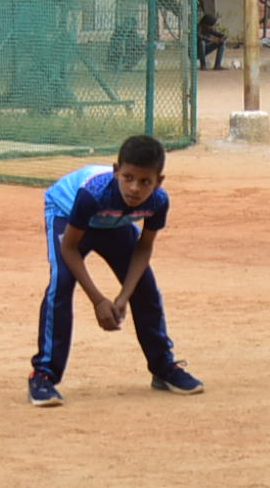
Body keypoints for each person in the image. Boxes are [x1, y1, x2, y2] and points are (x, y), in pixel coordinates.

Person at [30, 135, 199, 404]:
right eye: (128, 178)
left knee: (145, 288)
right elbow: (70, 249)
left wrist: (123, 296)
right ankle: (44, 375)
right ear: (116, 171)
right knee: (61, 284)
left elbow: (144, 248)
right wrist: (98, 300)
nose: (135, 189)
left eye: (145, 182)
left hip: (114, 223)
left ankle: (163, 367)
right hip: (67, 214)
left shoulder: (158, 201)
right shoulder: (93, 193)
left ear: (159, 182)